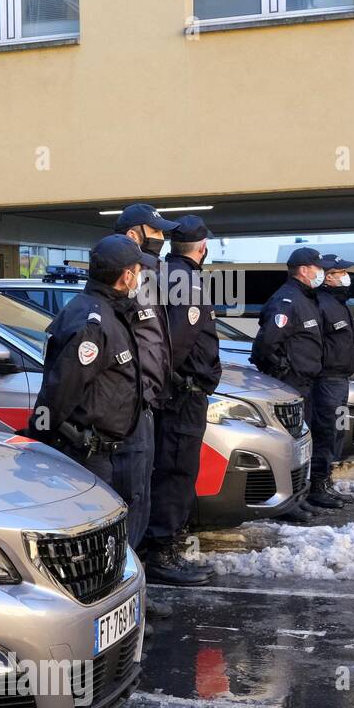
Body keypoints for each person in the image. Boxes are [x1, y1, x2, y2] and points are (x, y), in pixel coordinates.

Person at [28, 235, 144, 489]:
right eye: (138, 271)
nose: (140, 277)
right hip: (86, 455)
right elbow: (59, 390)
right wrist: (38, 437)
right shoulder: (93, 323)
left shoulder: (110, 312)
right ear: (126, 276)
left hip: (105, 453)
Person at [146, 215, 218, 586]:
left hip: (173, 394)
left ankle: (165, 545)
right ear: (202, 248)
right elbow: (173, 346)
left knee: (170, 472)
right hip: (181, 397)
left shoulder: (164, 275)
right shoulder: (185, 282)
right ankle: (162, 554)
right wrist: (173, 385)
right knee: (176, 473)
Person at [111, 203, 178, 549]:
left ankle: (137, 573)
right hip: (131, 406)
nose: (163, 239)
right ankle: (125, 579)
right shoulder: (124, 282)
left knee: (142, 493)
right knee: (131, 498)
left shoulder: (148, 279)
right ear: (132, 235)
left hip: (148, 402)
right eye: (157, 233)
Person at [251, 247, 336, 513]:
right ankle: (288, 505)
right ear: (303, 270)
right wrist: (281, 369)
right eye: (317, 268)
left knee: (300, 446)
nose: (321, 273)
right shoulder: (287, 300)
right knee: (289, 447)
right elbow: (265, 345)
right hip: (291, 384)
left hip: (305, 385)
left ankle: (300, 497)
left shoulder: (305, 298)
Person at [313, 254, 354, 505]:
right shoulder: (321, 303)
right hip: (327, 381)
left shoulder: (339, 303)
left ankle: (326, 479)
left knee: (338, 431)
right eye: (340, 272)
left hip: (341, 380)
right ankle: (317, 485)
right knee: (326, 431)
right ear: (327, 277)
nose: (345, 276)